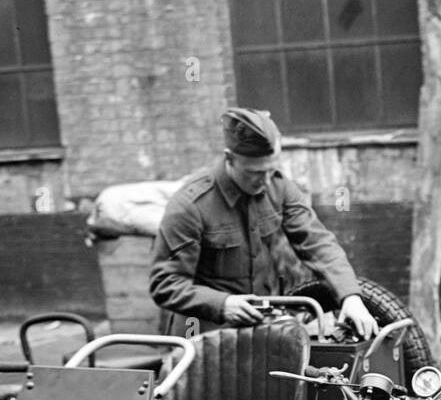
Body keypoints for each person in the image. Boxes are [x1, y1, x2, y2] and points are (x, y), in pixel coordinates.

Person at [149, 107, 378, 338]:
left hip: (258, 333)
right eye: (255, 173)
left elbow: (318, 243)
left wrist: (350, 296)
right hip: (202, 335)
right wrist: (222, 304)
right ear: (229, 158)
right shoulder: (191, 205)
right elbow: (166, 284)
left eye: (271, 170)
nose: (266, 181)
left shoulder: (279, 188)